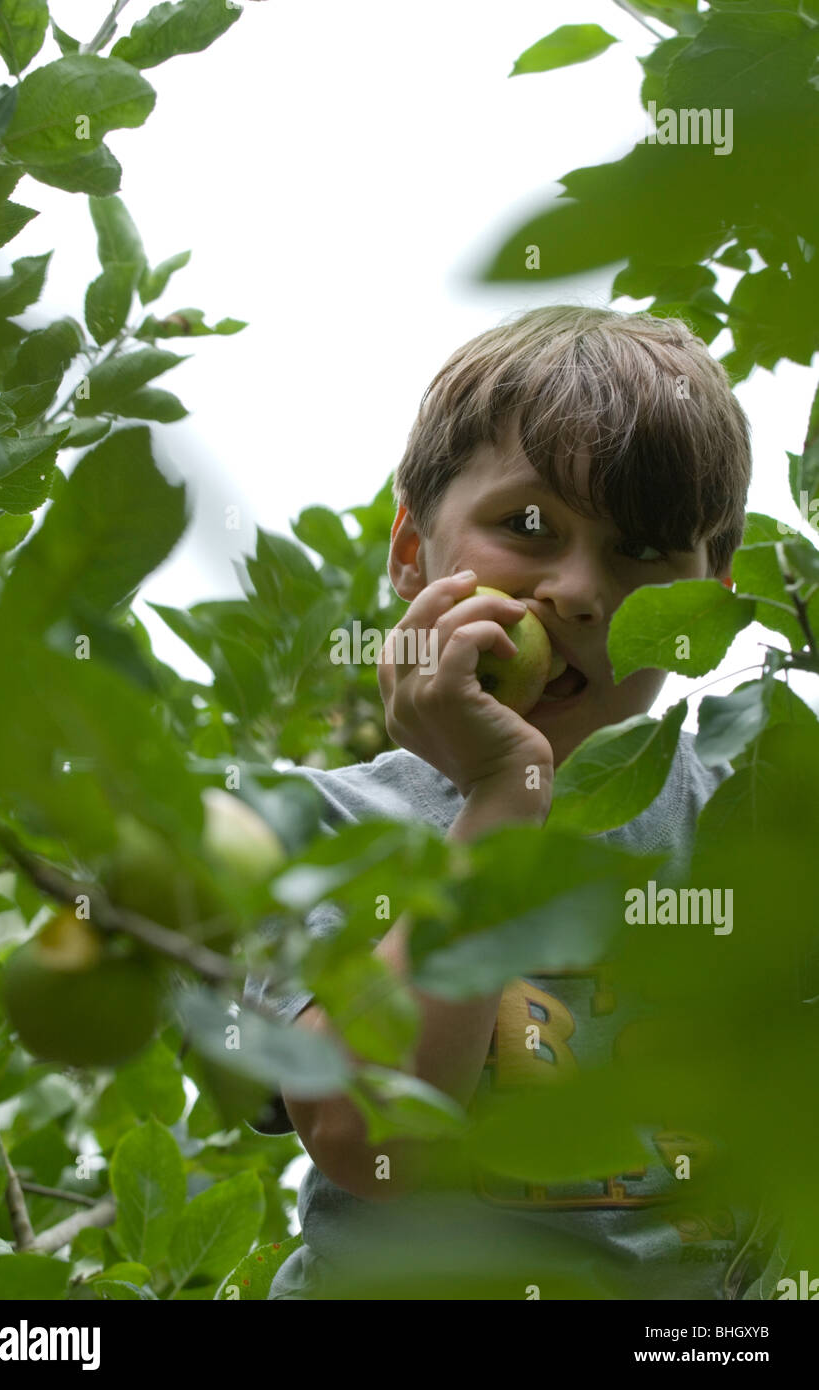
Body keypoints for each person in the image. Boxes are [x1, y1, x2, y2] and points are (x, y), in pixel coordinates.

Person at [244, 304, 773, 1300]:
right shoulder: (319, 830)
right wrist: (502, 796)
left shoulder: (755, 819)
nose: (578, 591)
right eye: (528, 525)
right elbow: (371, 1137)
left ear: (708, 605)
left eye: (645, 551)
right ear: (412, 550)